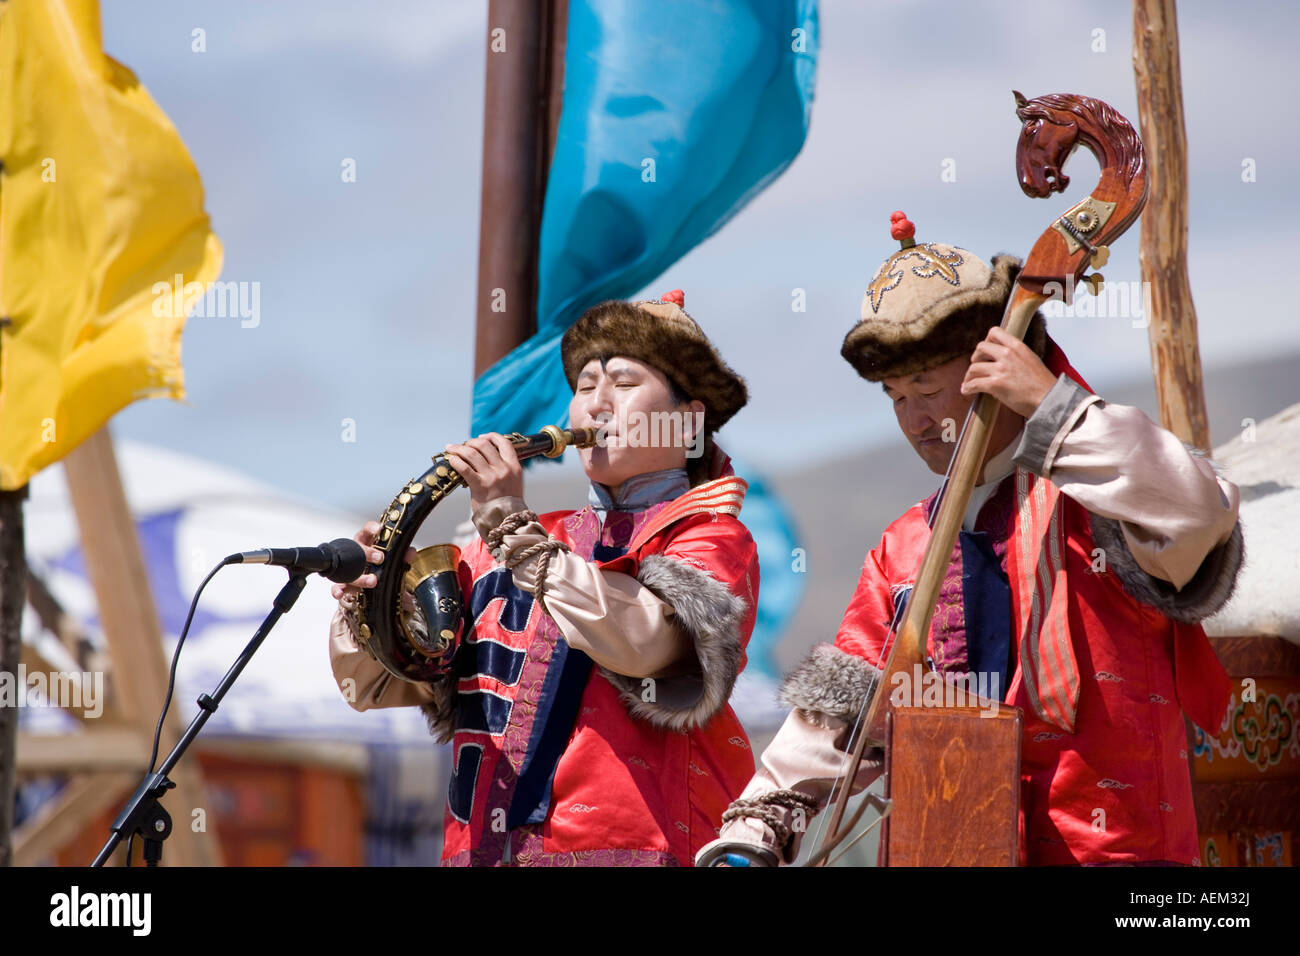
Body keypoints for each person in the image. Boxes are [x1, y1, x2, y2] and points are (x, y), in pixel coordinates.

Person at [699, 216, 1242, 867]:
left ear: (1000, 366)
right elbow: (840, 707)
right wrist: (756, 825)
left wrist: (1052, 403)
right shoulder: (905, 546)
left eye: (928, 387)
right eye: (896, 397)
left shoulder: (1105, 502)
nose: (916, 420)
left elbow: (1197, 512)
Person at [330, 291, 760, 866]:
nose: (596, 406)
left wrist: (511, 526)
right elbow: (376, 686)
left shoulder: (710, 535)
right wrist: (372, 603)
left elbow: (643, 642)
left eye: (624, 383)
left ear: (688, 419)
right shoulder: (507, 541)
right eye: (584, 386)